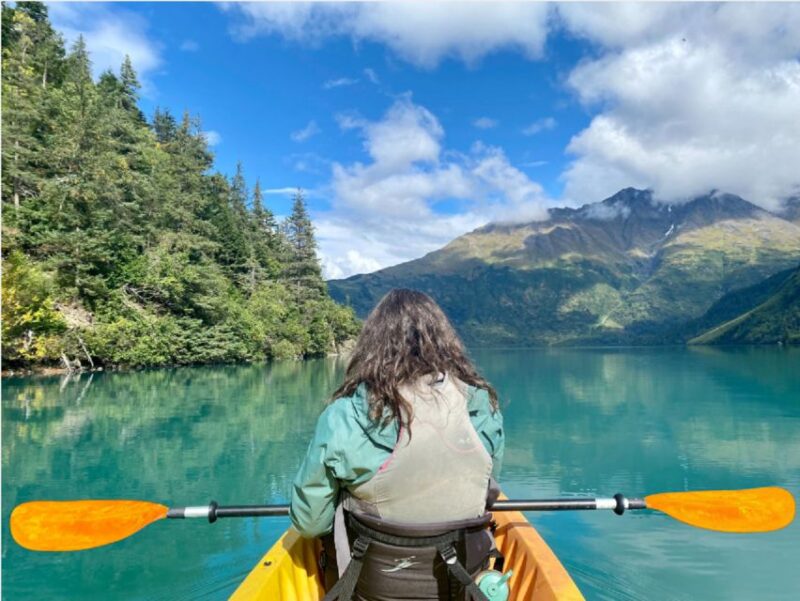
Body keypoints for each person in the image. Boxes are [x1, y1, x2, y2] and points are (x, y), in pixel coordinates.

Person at [290, 288, 504, 601]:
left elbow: (310, 524)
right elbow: (486, 490)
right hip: (463, 585)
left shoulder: (343, 416)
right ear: (445, 342)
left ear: (372, 345)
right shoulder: (482, 407)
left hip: (370, 590)